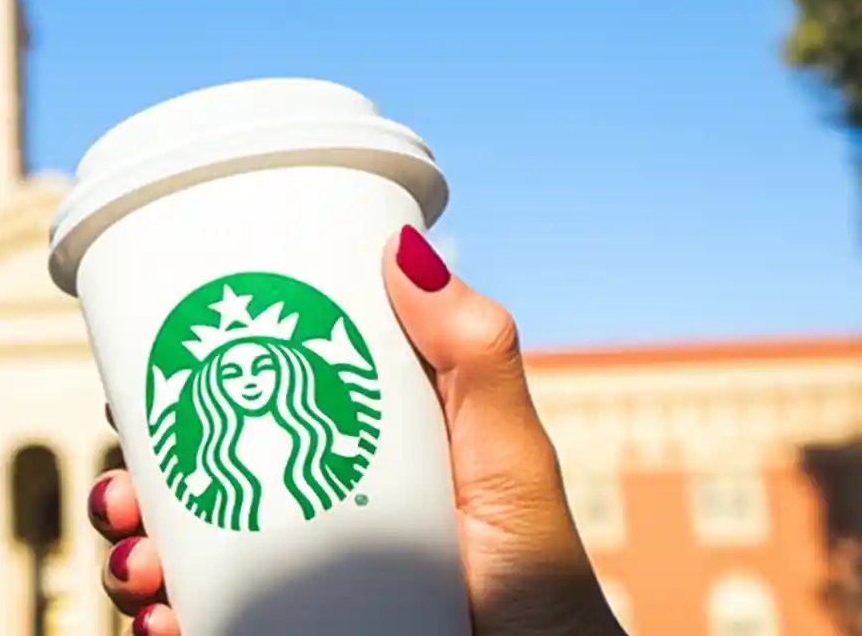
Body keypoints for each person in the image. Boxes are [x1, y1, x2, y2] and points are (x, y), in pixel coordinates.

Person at [87, 226, 628, 636]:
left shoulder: (321, 448)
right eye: (231, 372)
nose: (248, 382)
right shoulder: (219, 470)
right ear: (210, 389)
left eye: (263, 367)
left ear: (291, 371)